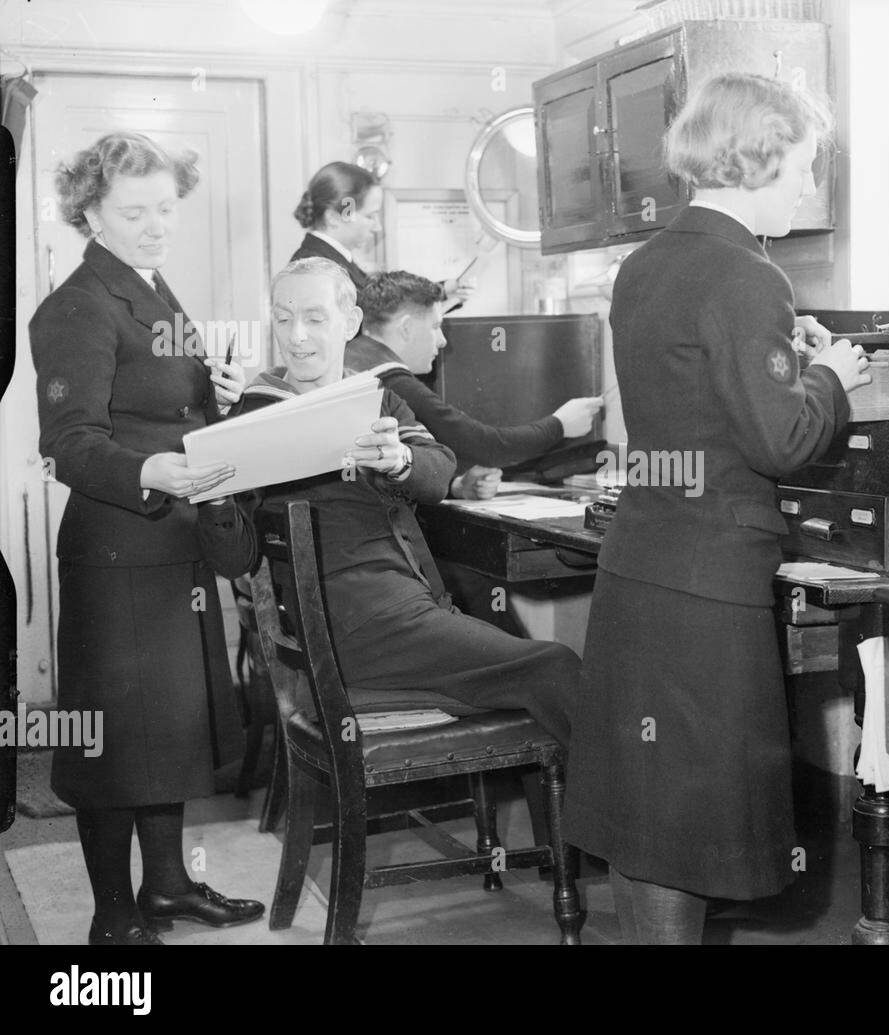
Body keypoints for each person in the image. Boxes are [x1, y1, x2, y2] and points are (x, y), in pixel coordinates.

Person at [561, 74, 872, 944]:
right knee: (690, 816)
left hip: (646, 563)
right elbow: (780, 443)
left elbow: (698, 395)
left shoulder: (645, 264)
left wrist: (786, 358)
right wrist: (831, 377)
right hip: (709, 583)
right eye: (804, 166)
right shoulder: (746, 272)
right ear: (760, 157)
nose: (810, 185)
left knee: (651, 812)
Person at [29, 131, 264, 945]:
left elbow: (167, 403)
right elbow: (69, 442)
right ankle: (113, 913)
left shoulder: (152, 289)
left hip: (173, 551)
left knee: (167, 728)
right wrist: (150, 472)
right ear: (89, 211)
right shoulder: (75, 306)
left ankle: (165, 885)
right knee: (114, 742)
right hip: (119, 555)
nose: (158, 224)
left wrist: (220, 395)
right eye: (136, 211)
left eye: (166, 207)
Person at [201, 257, 577, 745]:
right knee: (552, 666)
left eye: (314, 319)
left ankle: (580, 813)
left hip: (398, 613)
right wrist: (213, 497)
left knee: (533, 665)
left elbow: (438, 471)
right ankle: (613, 819)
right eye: (282, 318)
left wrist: (399, 459)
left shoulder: (374, 398)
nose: (295, 336)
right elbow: (232, 558)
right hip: (360, 629)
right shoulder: (253, 414)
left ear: (350, 323)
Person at [347, 270, 604, 502]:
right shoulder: (390, 380)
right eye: (435, 326)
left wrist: (455, 486)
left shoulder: (355, 361)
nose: (442, 340)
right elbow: (486, 446)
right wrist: (560, 425)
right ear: (405, 328)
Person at [290, 162, 472, 310]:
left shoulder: (333, 260)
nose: (377, 227)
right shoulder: (314, 269)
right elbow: (373, 319)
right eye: (369, 216)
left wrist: (444, 290)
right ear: (333, 217)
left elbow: (380, 302)